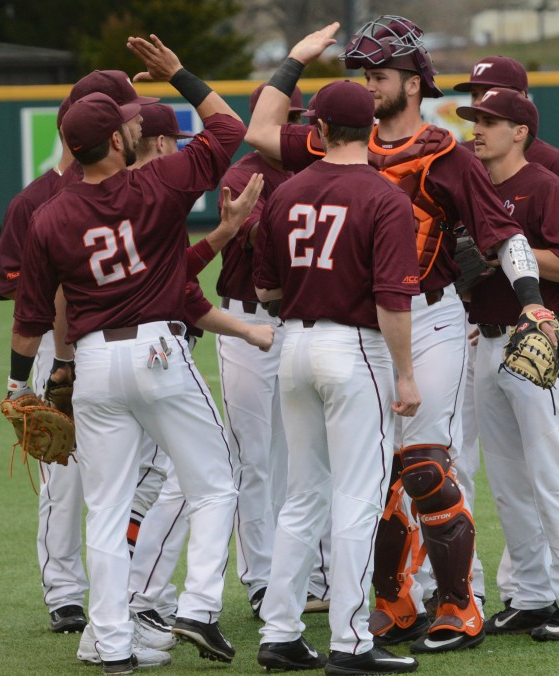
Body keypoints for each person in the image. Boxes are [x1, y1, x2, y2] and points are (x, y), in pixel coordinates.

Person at [247, 17, 555, 654]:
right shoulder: (336, 144)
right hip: (359, 331)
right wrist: (295, 60)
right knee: (378, 475)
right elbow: (255, 131)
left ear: (413, 83)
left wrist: (532, 304)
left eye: (379, 74)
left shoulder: (447, 154)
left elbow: (506, 237)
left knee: (425, 466)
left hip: (431, 316)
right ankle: (392, 599)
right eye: (364, 75)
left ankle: (459, 601)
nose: (369, 84)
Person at [8, 34, 253, 674]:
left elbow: (31, 316)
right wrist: (180, 74)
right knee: (216, 478)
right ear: (117, 142)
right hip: (158, 353)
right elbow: (230, 128)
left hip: (91, 365)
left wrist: (16, 387)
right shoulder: (159, 183)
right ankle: (198, 606)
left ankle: (113, 646)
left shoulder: (49, 217)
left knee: (107, 510)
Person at [252, 79, 421, 675]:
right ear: (370, 130)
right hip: (356, 350)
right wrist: (405, 374)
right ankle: (351, 643)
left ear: (318, 130)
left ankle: (280, 633)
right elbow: (392, 301)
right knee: (356, 497)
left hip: (293, 344)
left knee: (302, 495)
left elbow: (265, 288)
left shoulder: (286, 191)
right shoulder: (385, 197)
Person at [456, 88, 559, 640]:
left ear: (519, 130)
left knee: (554, 473)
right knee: (509, 480)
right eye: (474, 119)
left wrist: (505, 251)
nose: (477, 128)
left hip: (538, 339)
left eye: (488, 120)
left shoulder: (544, 187)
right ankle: (534, 595)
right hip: (483, 343)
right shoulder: (470, 188)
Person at [215, 82, 333, 619]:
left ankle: (305, 573)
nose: (298, 129)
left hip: (298, 324)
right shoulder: (244, 174)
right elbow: (274, 243)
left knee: (301, 455)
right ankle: (261, 577)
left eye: (303, 119)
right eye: (290, 118)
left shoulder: (319, 169)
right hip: (244, 319)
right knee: (253, 457)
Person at [0, 95, 91, 637]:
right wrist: (22, 378)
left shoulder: (120, 189)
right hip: (56, 351)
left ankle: (130, 587)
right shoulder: (31, 204)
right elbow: (22, 296)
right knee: (63, 479)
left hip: (114, 347)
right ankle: (64, 594)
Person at [453, 55, 559, 204]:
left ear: (521, 97)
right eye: (474, 94)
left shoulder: (553, 162)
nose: (477, 101)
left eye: (489, 92)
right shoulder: (461, 158)